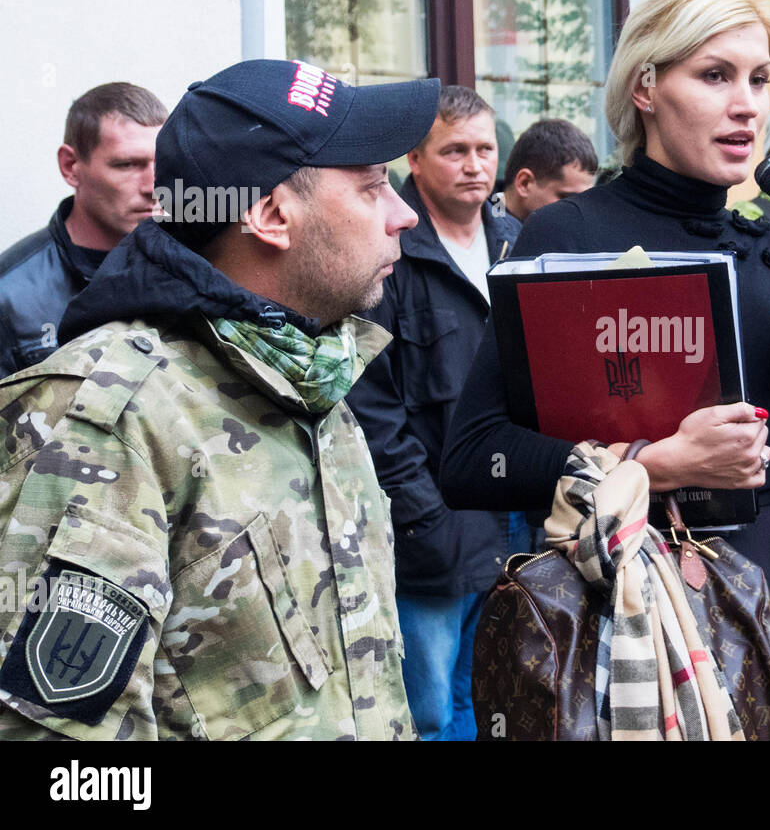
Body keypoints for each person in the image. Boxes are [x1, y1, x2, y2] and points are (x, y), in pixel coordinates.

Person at [441, 0, 770, 740]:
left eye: (758, 78)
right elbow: (474, 456)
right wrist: (655, 463)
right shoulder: (568, 237)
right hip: (628, 598)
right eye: (715, 75)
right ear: (645, 86)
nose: (747, 103)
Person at [0, 59, 440, 739]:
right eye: (373, 185)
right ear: (269, 214)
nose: (404, 214)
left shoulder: (316, 378)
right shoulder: (112, 415)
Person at [348, 86, 527, 741]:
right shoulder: (389, 251)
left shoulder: (516, 244)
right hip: (432, 528)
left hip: (518, 517)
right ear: (416, 160)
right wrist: (425, 518)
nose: (475, 165)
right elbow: (373, 409)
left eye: (485, 149)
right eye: (454, 151)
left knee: (498, 690)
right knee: (424, 711)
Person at [0, 83, 167, 377]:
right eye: (127, 164)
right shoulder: (11, 294)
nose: (154, 187)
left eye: (164, 163)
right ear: (71, 166)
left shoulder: (198, 266)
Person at [499, 118, 597, 223]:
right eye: (569, 199)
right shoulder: (484, 232)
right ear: (525, 183)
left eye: (585, 201)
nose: (580, 212)